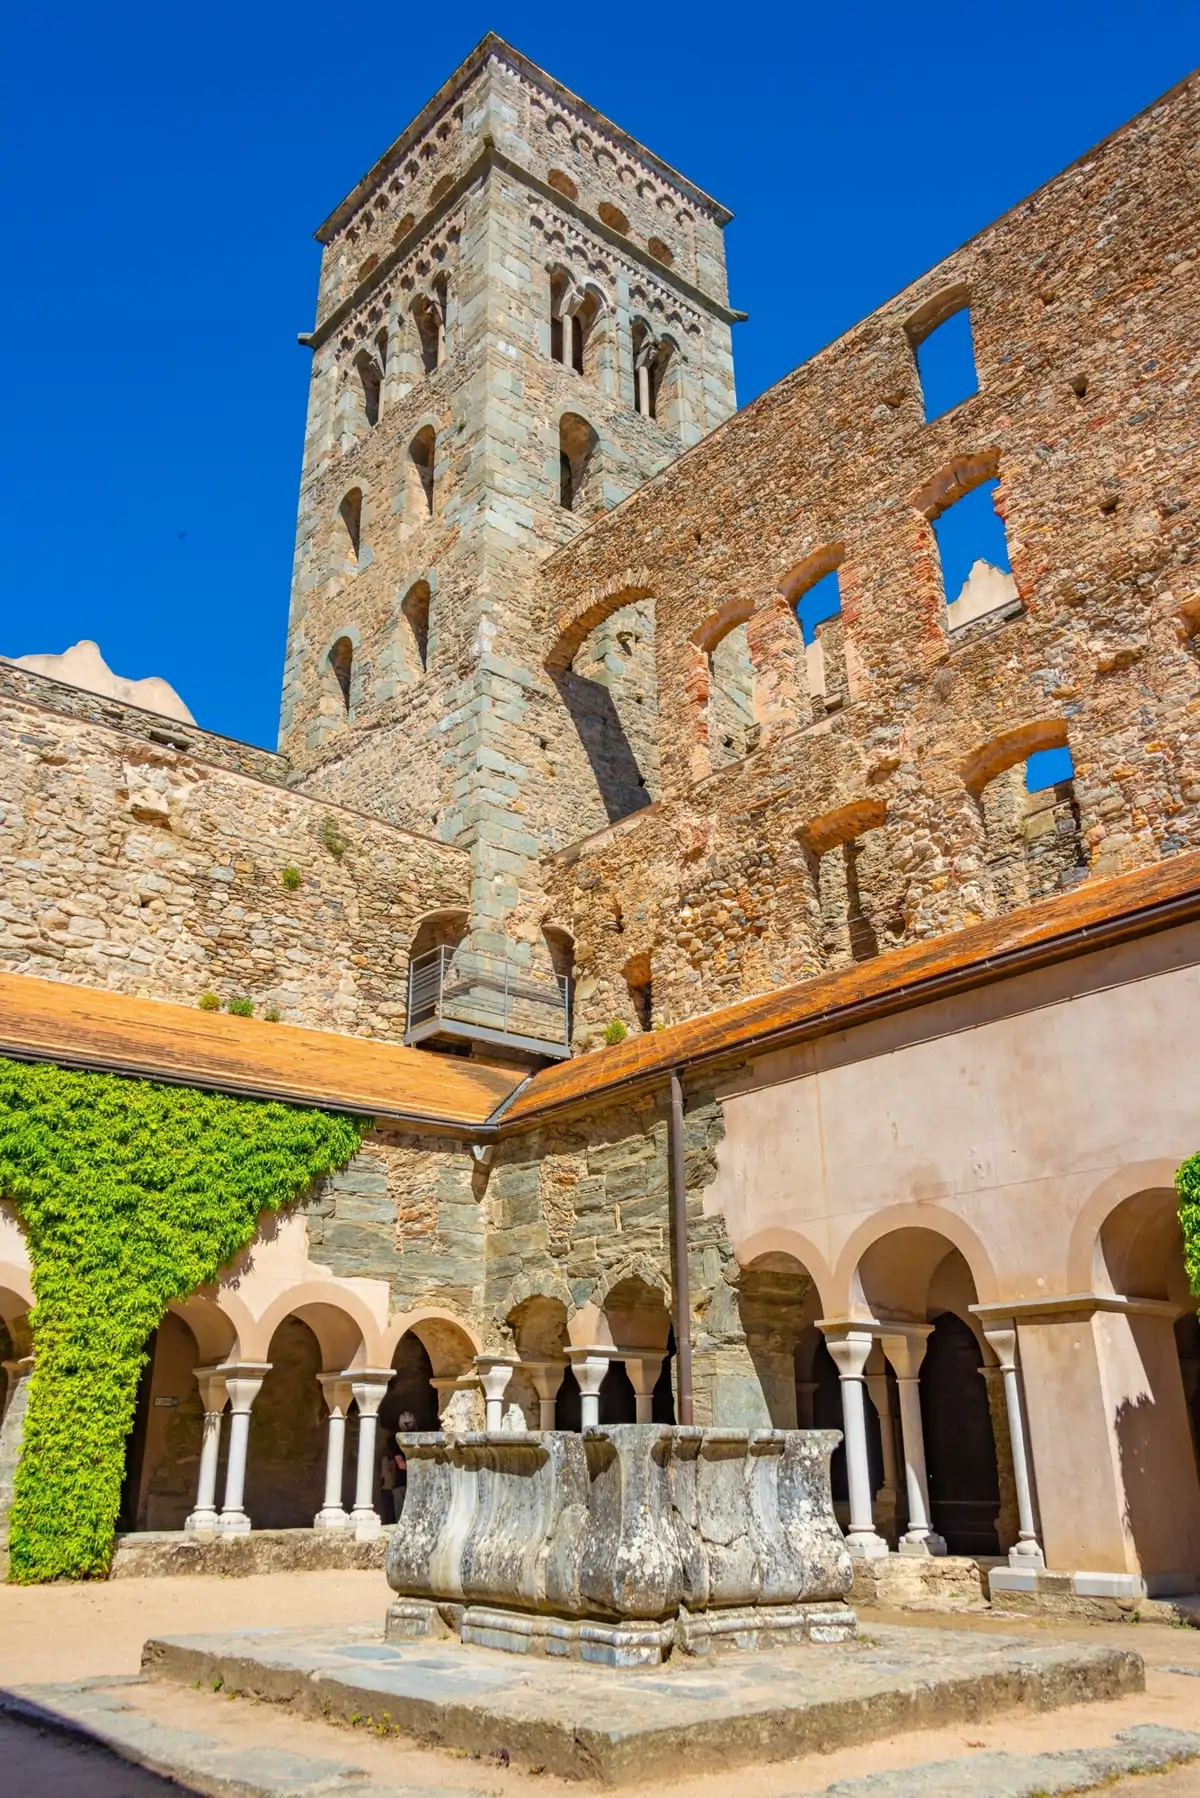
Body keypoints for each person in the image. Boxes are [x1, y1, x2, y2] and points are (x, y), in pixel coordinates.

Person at [392, 1412, 416, 1521]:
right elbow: (401, 1465)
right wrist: (418, 1468)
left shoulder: (416, 1439)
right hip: (401, 1484)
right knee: (400, 1518)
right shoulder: (395, 1441)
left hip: (413, 1483)